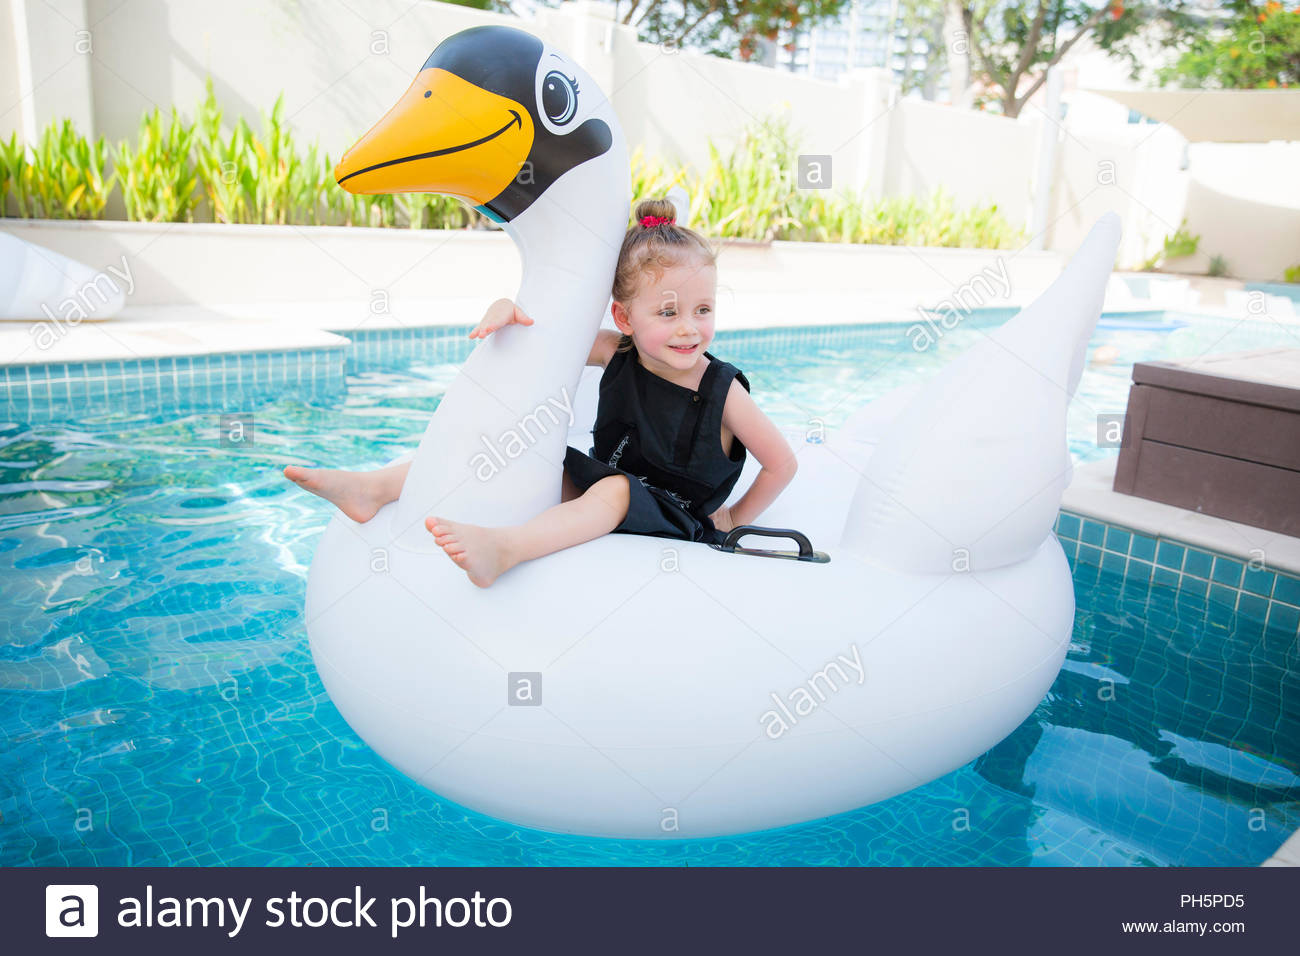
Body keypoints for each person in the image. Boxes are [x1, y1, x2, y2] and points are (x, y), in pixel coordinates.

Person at [284, 198, 798, 587]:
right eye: (668, 312)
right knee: (531, 453)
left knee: (616, 493)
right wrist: (511, 311)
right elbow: (548, 338)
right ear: (625, 317)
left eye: (702, 310)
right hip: (612, 480)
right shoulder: (619, 349)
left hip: (676, 511)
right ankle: (374, 488)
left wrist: (730, 519)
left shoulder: (721, 390)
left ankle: (506, 550)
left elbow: (781, 464)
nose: (689, 328)